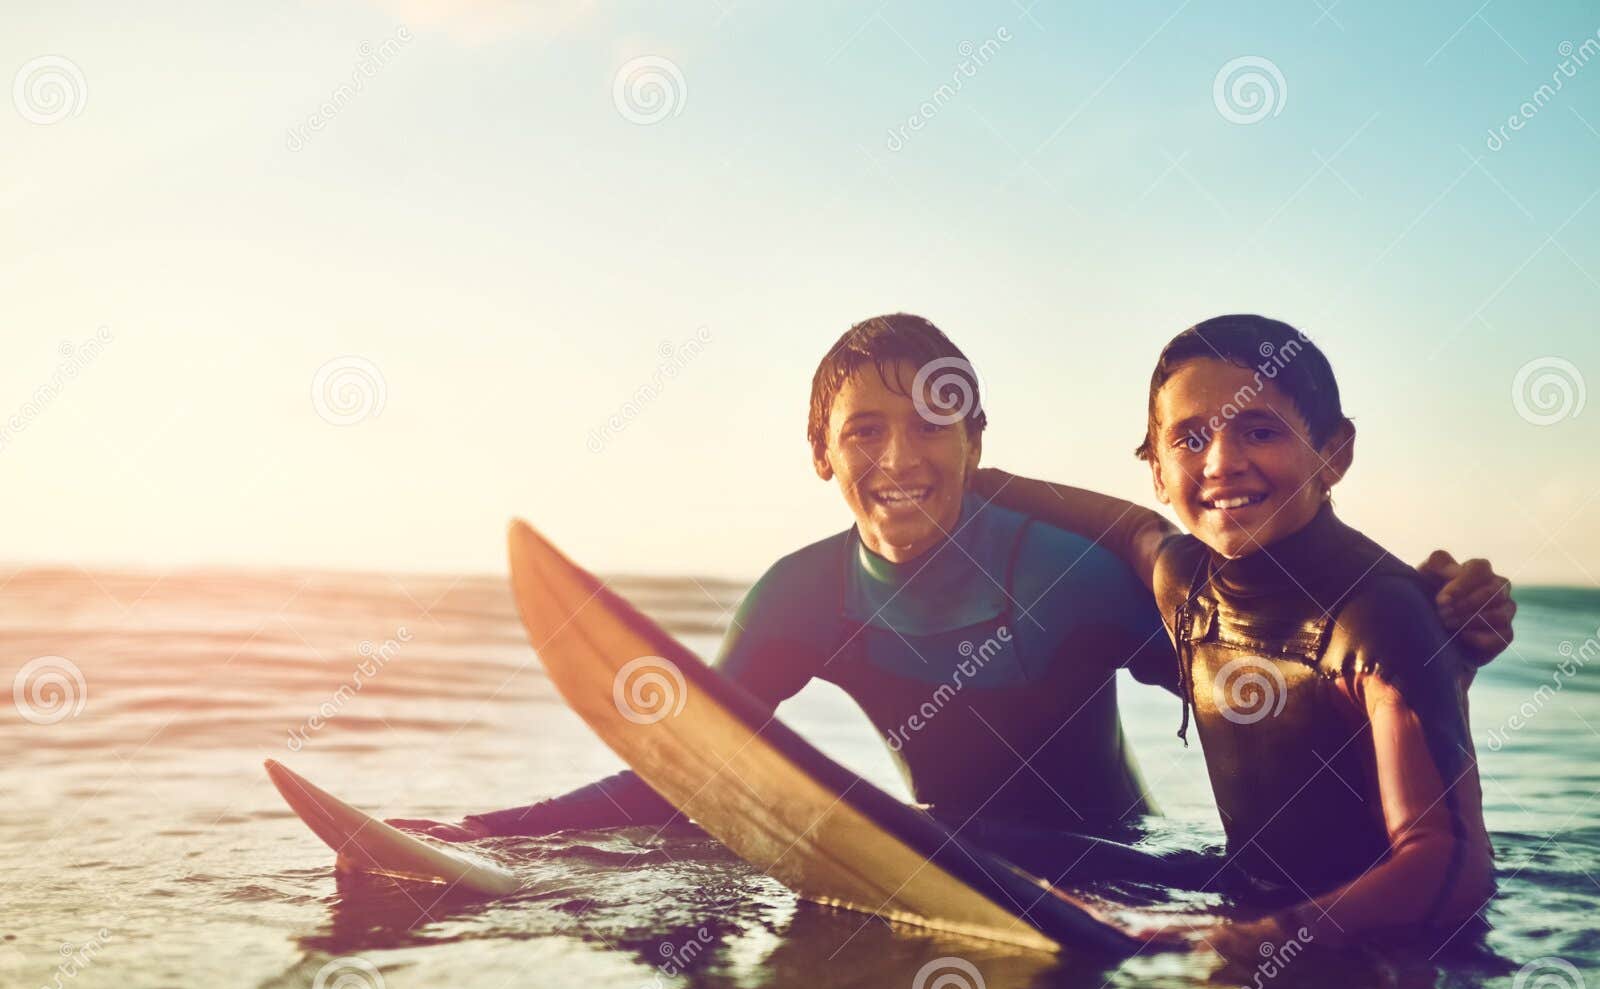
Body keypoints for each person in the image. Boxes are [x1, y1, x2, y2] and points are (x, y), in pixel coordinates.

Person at [399, 314, 1512, 893]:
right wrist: (487, 834)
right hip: (948, 864)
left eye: (932, 424)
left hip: (1114, 864)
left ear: (977, 444)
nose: (898, 457)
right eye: (862, 432)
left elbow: (1270, 690)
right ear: (821, 458)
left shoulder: (1072, 576)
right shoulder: (800, 597)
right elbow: (695, 766)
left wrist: (1427, 648)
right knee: (701, 872)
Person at [974, 314, 1505, 957]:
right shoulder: (1187, 582)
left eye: (1259, 431)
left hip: (1389, 941)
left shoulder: (1376, 620)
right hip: (1246, 888)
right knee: (975, 845)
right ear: (1156, 469)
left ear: (1334, 453)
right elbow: (1128, 528)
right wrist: (972, 483)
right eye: (1189, 440)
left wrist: (1252, 941)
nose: (1221, 464)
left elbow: (1450, 869)